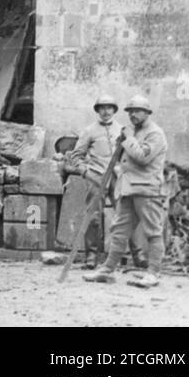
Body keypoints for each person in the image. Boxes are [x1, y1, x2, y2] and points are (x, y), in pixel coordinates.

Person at [84, 95, 168, 289]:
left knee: (153, 232)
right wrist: (120, 143)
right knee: (119, 231)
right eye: (130, 111)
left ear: (147, 113)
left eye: (137, 111)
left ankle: (153, 273)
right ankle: (107, 270)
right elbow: (123, 158)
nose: (132, 115)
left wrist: (128, 138)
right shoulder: (133, 132)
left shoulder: (155, 133)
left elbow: (141, 157)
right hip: (128, 189)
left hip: (147, 190)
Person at [66, 94, 123, 267]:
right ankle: (91, 256)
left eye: (109, 108)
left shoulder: (122, 130)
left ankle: (129, 255)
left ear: (114, 110)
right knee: (93, 217)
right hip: (96, 175)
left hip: (117, 176)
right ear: (98, 111)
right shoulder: (89, 131)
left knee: (123, 215)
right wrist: (85, 172)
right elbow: (76, 156)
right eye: (102, 108)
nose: (106, 111)